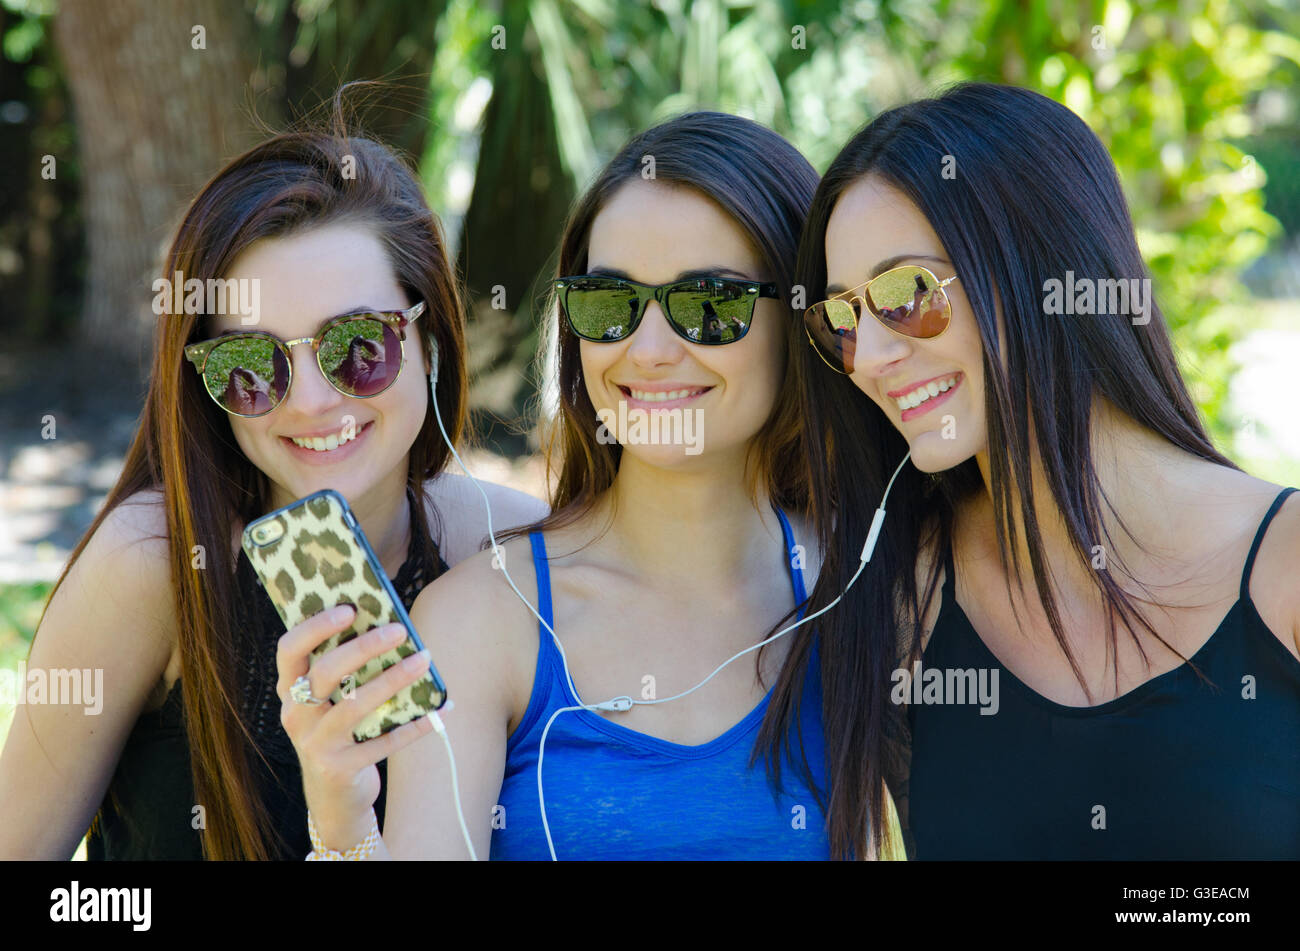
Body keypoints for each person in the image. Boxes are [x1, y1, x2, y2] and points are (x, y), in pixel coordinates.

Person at [278, 111, 904, 860]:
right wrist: (343, 828)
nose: (647, 350)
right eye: (609, 304)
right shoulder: (484, 618)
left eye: (711, 304)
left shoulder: (874, 591)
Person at [0, 97, 547, 860]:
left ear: (429, 341)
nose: (313, 400)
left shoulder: (516, 550)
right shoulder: (153, 564)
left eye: (358, 344)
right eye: (250, 366)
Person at [795, 82, 1300, 859]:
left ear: (1045, 262)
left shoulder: (1286, 565)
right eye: (842, 317)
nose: (870, 356)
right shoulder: (903, 600)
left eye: (906, 293)